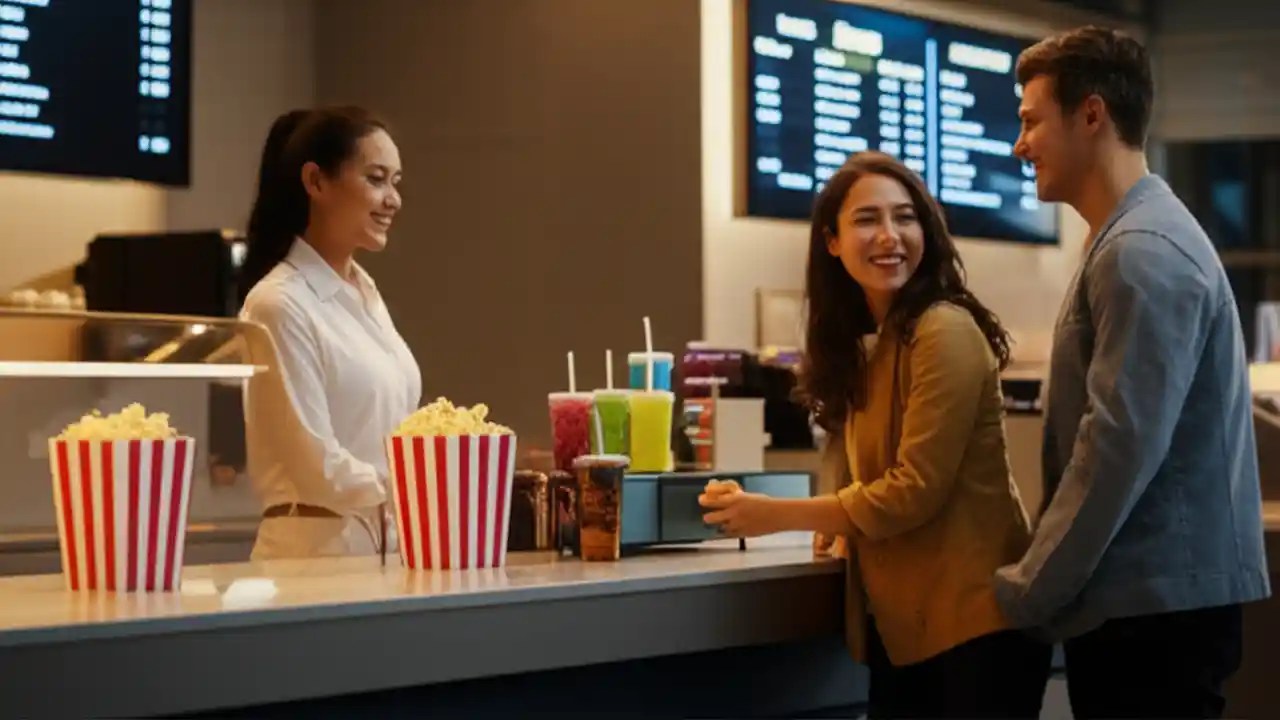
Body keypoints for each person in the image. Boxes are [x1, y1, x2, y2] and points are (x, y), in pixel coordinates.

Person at [701, 152, 1051, 718]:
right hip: (910, 636)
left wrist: (776, 514)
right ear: (832, 241)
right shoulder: (870, 344)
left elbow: (914, 490)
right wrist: (835, 526)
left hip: (977, 635)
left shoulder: (944, 329)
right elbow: (861, 471)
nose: (889, 236)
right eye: (867, 219)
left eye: (905, 217)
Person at [994, 26, 1270, 718]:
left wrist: (1029, 588)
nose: (1019, 145)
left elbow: (1117, 446)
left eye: (1031, 121)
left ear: (1091, 115)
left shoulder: (1141, 250)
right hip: (1147, 605)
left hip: (1152, 615)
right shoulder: (1128, 235)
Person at [239, 106, 421, 559]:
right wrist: (424, 483)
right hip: (315, 561)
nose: (393, 199)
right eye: (376, 178)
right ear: (316, 182)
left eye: (395, 182)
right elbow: (315, 466)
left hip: (389, 550)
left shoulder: (366, 293)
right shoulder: (278, 303)